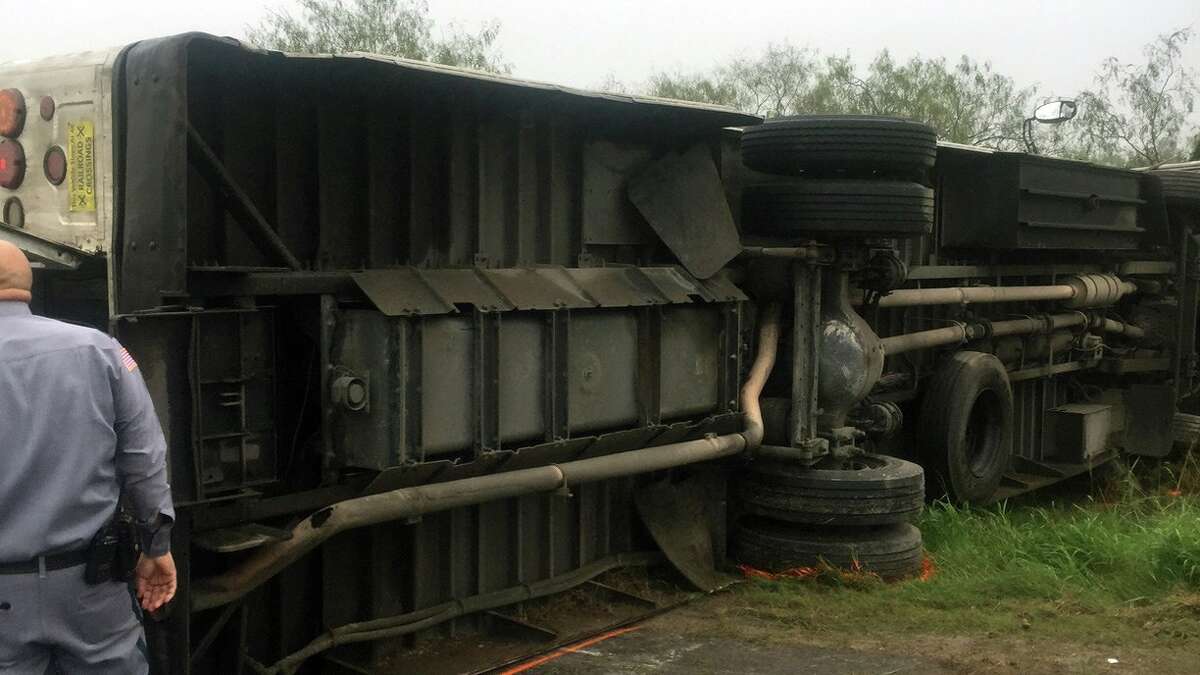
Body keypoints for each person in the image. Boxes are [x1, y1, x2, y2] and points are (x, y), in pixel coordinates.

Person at [0, 240, 176, 674]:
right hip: (90, 590)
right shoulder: (99, 350)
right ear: (28, 285)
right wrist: (156, 546)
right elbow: (144, 457)